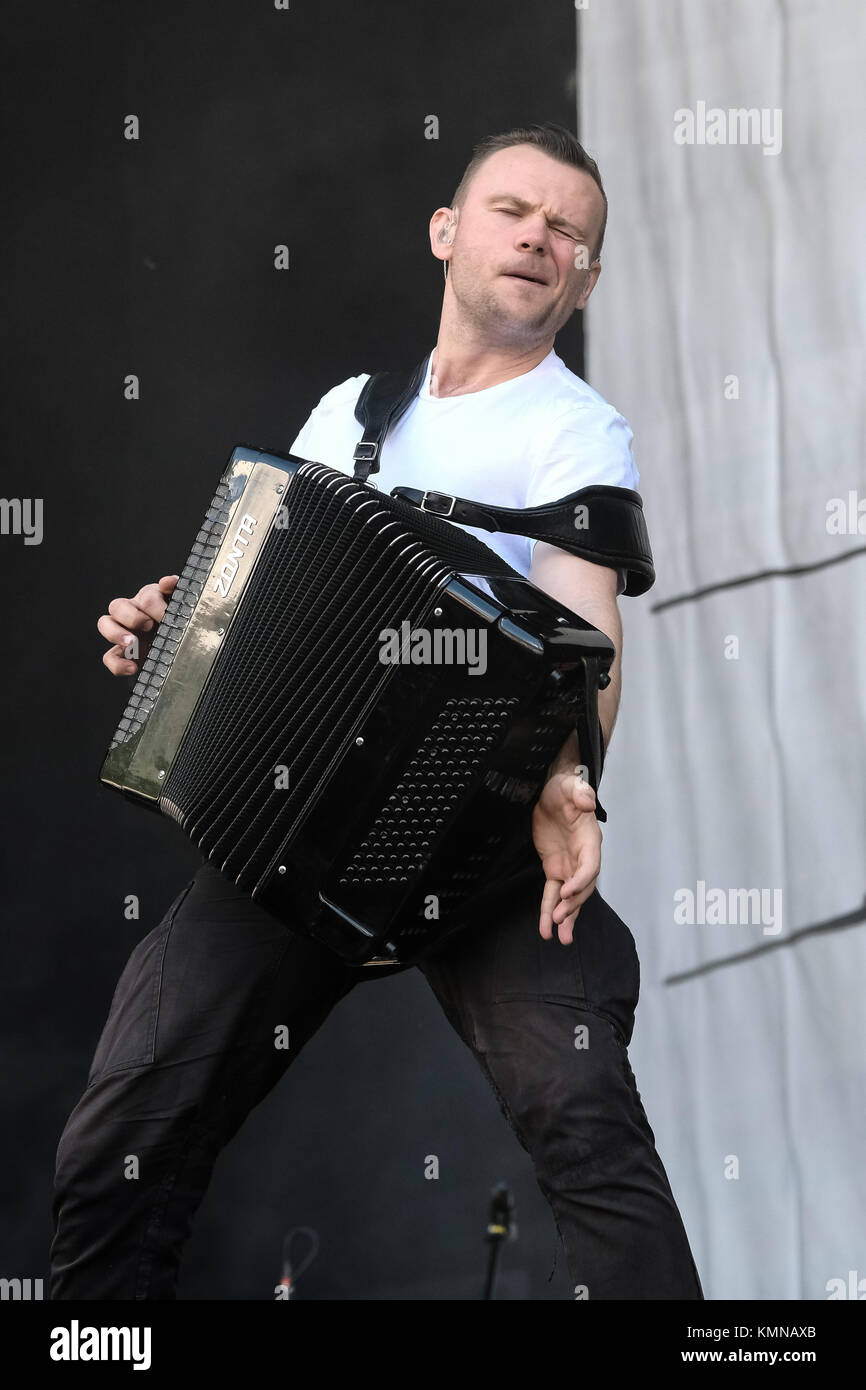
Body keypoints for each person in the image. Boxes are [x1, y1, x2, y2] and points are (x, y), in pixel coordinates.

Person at [50, 123, 703, 1300]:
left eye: (568, 231)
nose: (538, 238)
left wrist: (570, 781)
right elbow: (256, 605)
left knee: (582, 1120)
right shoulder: (351, 414)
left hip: (481, 835)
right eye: (513, 210)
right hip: (305, 830)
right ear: (447, 233)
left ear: (586, 279)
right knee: (123, 1134)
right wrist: (173, 628)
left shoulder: (575, 434)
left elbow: (586, 636)